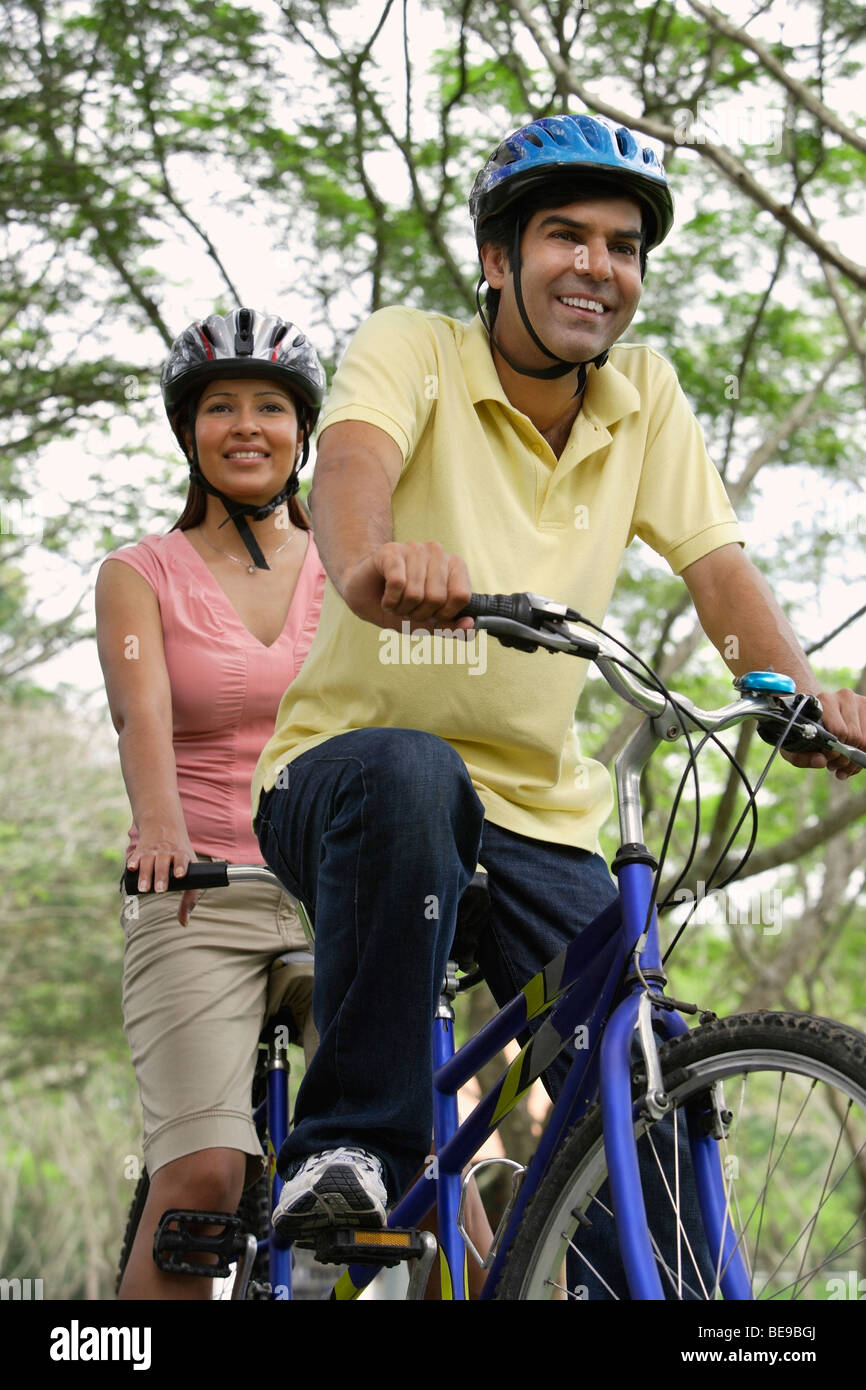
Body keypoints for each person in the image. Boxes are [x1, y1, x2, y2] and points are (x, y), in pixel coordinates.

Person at [250, 115, 866, 1274]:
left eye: (623, 246)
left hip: (537, 815)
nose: (597, 265)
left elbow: (716, 566)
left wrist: (788, 695)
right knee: (408, 768)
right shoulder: (413, 346)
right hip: (343, 782)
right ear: (497, 260)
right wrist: (376, 560)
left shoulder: (642, 395)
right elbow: (350, 469)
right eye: (564, 236)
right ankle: (349, 1150)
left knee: (633, 1070)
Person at [96, 307, 327, 1299]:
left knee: (431, 1163)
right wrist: (160, 828)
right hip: (198, 890)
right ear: (188, 432)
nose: (245, 425)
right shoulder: (136, 574)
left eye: (269, 406)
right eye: (219, 406)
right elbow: (138, 711)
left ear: (302, 431)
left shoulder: (352, 572)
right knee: (202, 1183)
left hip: (337, 897)